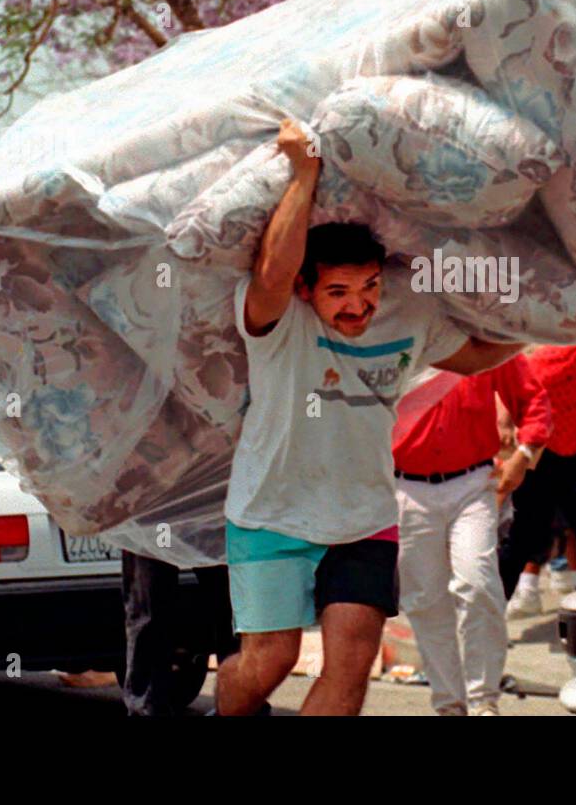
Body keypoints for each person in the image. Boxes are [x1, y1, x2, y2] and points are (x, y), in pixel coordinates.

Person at [215, 118, 522, 716]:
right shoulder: (276, 321)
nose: (359, 306)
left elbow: (479, 356)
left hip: (365, 520)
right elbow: (275, 270)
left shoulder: (408, 312)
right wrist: (305, 171)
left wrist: (565, 320)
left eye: (369, 287)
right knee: (268, 662)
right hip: (270, 515)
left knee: (350, 669)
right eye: (339, 292)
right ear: (308, 290)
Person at [392, 359, 552, 716]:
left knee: (478, 584)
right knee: (425, 600)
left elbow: (534, 399)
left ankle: (483, 703)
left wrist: (524, 455)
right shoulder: (398, 331)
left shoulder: (481, 338)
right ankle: (449, 705)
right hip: (406, 488)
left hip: (473, 484)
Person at [501, 346, 576, 607]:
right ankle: (497, 606)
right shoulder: (549, 355)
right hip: (546, 449)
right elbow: (516, 381)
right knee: (526, 535)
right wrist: (505, 422)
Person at [119, 552, 236, 716]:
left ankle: (241, 702)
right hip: (163, 529)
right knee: (152, 602)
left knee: (227, 599)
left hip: (176, 529)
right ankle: (146, 706)